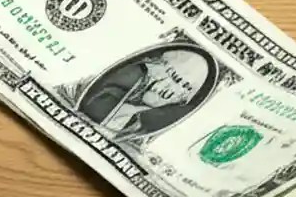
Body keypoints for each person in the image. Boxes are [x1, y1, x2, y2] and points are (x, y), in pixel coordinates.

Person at [80, 48, 213, 140]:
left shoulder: (147, 122)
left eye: (184, 86)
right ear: (153, 64)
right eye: (171, 73)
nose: (167, 87)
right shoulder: (125, 78)